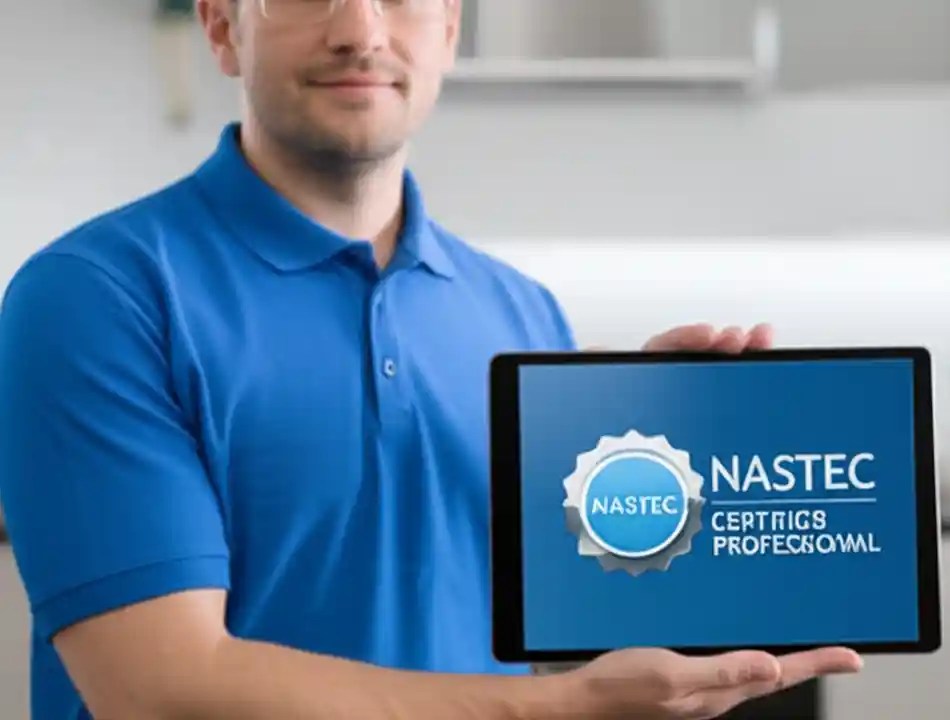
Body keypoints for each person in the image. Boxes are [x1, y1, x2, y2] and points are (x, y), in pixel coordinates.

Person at [0, 0, 864, 717]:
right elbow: (161, 688)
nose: (360, 30)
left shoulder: (522, 313)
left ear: (449, 27)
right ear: (224, 26)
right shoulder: (94, 297)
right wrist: (565, 711)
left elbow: (529, 652)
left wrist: (641, 445)